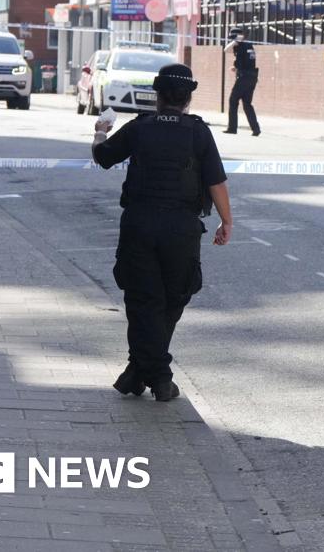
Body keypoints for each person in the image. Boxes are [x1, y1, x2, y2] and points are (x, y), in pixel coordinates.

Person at [92, 63, 234, 401]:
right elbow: (216, 181)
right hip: (181, 230)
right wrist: (227, 221)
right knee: (173, 299)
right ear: (187, 99)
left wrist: (100, 131)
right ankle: (159, 376)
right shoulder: (199, 133)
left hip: (139, 225)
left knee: (142, 301)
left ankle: (138, 371)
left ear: (157, 97)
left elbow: (103, 156)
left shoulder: (140, 128)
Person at [223, 29, 261, 136]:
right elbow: (247, 62)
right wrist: (237, 68)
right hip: (252, 78)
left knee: (233, 100)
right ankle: (256, 129)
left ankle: (232, 128)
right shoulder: (249, 46)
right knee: (247, 104)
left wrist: (236, 40)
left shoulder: (240, 46)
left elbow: (226, 50)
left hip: (243, 79)